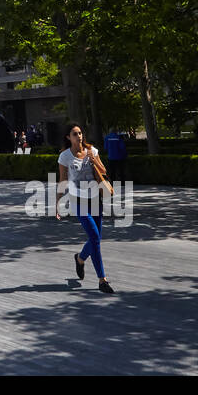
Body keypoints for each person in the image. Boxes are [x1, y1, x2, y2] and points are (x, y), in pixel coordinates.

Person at [56, 124, 114, 294]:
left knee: (96, 239)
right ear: (68, 137)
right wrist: (58, 203)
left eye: (80, 133)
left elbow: (103, 170)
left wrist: (93, 158)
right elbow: (62, 180)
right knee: (95, 236)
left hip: (95, 198)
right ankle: (102, 280)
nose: (79, 136)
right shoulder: (64, 156)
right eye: (75, 134)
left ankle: (80, 259)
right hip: (78, 200)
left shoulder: (92, 151)